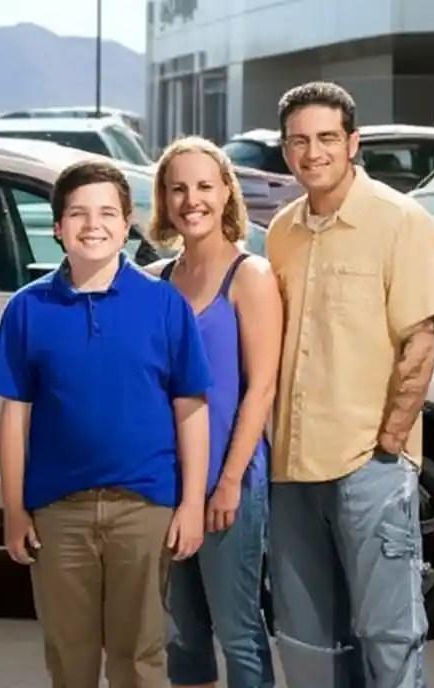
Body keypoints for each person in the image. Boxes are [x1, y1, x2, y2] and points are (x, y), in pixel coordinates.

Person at [0, 158, 213, 688]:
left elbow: (191, 408)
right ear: (58, 227)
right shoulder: (28, 308)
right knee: (70, 657)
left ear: (127, 222)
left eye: (108, 213)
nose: (94, 225)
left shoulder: (163, 304)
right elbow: (14, 416)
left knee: (140, 655)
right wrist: (15, 510)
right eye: (79, 214)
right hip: (58, 512)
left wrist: (193, 502)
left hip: (145, 507)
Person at [264, 81, 434, 687]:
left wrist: (389, 449)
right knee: (308, 639)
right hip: (291, 470)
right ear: (285, 151)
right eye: (298, 141)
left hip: (368, 463)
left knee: (387, 634)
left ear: (353, 143)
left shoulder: (402, 222)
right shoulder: (282, 231)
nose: (312, 153)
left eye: (325, 139)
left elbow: (420, 342)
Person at [145, 136, 282, 688]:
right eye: (178, 188)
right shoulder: (155, 281)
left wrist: (227, 483)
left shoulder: (250, 276)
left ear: (227, 191)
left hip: (232, 482)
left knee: (238, 629)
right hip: (168, 484)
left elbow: (262, 388)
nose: (191, 199)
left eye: (204, 186)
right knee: (182, 634)